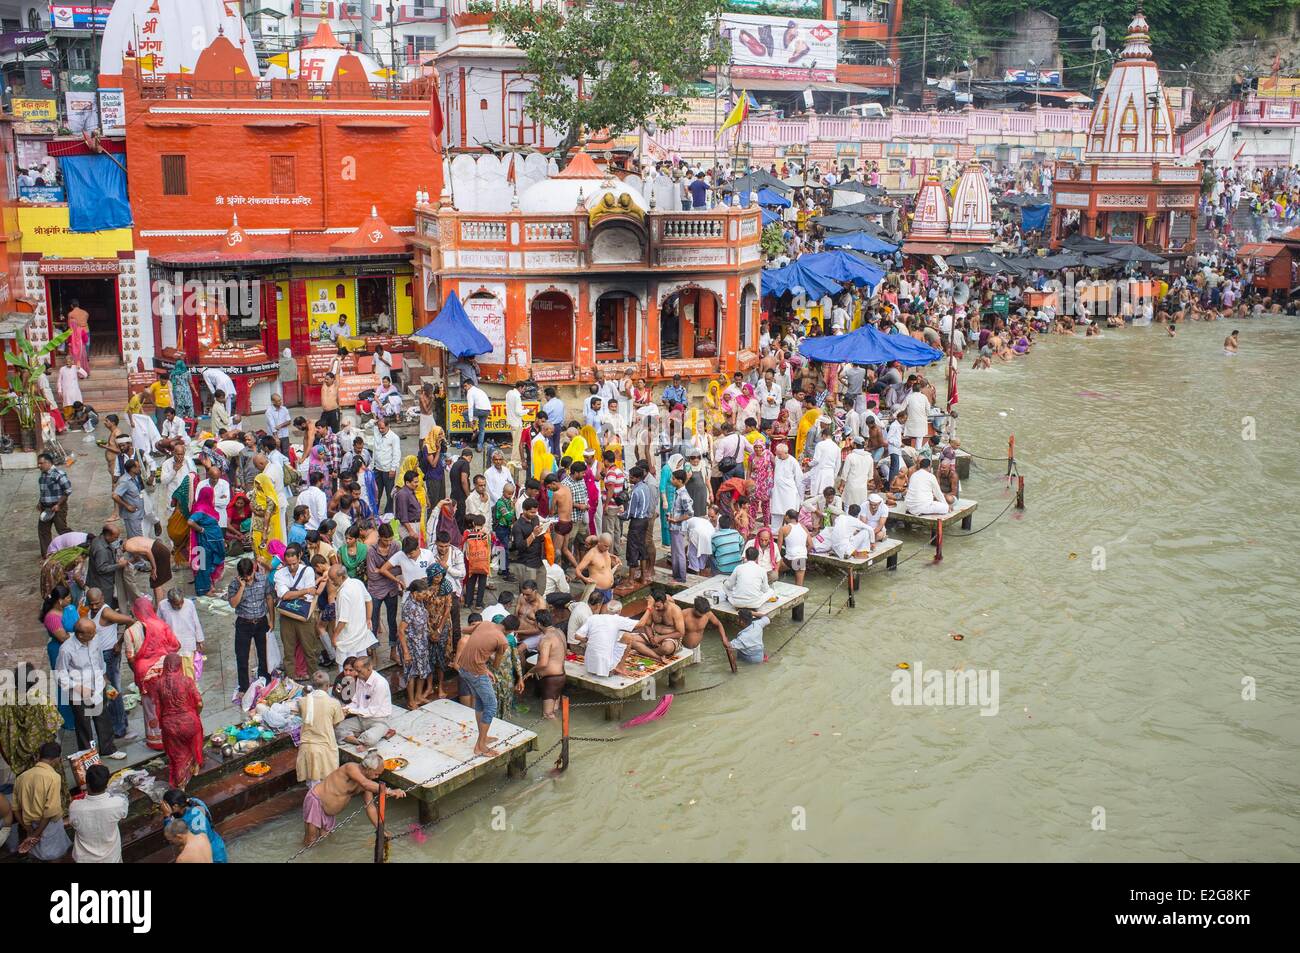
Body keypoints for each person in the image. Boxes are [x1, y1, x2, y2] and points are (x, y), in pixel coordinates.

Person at [303, 751, 405, 847]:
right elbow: (365, 783)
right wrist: (390, 791)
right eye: (376, 774)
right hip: (316, 801)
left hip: (329, 812)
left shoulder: (367, 783)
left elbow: (370, 807)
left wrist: (380, 829)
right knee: (311, 840)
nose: (376, 777)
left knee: (324, 839)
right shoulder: (351, 768)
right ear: (369, 769)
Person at [56, 618, 125, 760]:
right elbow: (60, 675)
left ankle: (108, 749)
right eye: (91, 633)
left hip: (98, 686)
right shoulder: (66, 650)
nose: (95, 634)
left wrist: (104, 677)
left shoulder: (95, 640)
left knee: (103, 719)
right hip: (78, 694)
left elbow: (99, 660)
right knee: (83, 725)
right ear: (80, 635)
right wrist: (78, 688)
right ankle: (88, 755)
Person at [455, 616, 510, 757]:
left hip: (464, 669)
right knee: (492, 705)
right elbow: (497, 665)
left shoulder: (485, 624)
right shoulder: (503, 641)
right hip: (475, 672)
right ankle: (480, 746)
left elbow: (465, 630)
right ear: (510, 631)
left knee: (480, 700)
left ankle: (483, 738)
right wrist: (491, 659)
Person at [13, 742, 70, 860]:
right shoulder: (53, 777)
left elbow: (16, 808)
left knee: (35, 856)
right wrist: (36, 833)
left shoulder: (21, 777)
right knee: (55, 857)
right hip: (48, 827)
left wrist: (29, 829)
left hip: (30, 825)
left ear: (39, 757)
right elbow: (50, 812)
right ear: (56, 759)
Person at [155, 654, 204, 788]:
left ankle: (181, 783)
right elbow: (199, 703)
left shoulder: (158, 684)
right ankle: (195, 767)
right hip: (189, 722)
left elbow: (158, 707)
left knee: (178, 755)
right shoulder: (187, 681)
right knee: (194, 741)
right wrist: (195, 714)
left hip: (170, 725)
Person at [275, 543, 323, 678]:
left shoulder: (308, 570)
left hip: (304, 616)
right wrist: (304, 591)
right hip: (287, 617)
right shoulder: (279, 574)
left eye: (294, 564)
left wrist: (293, 593)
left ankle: (315, 680)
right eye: (289, 564)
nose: (292, 567)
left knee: (309, 650)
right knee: (288, 652)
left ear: (299, 557)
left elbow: (308, 596)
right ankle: (291, 680)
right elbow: (284, 595)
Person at [228, 558, 274, 694]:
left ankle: (265, 679)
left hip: (261, 621)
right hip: (244, 623)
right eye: (245, 577)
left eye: (249, 576)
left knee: (264, 654)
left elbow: (269, 598)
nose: (248, 579)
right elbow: (233, 604)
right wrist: (242, 587)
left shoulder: (263, 579)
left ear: (254, 570)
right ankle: (243, 686)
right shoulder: (235, 584)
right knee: (242, 656)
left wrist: (272, 619)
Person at [68, 763, 129, 863]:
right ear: (107, 785)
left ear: (86, 785)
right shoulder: (118, 803)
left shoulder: (75, 807)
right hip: (111, 858)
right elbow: (123, 812)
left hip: (84, 859)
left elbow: (73, 823)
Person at [335, 655, 394, 749]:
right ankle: (360, 741)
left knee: (370, 738)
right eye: (356, 671)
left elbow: (371, 711)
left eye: (359, 671)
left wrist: (350, 711)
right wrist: (344, 709)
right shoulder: (360, 679)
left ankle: (365, 737)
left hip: (378, 720)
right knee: (338, 727)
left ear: (369, 668)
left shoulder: (380, 684)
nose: (356, 674)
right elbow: (355, 701)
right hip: (361, 719)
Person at [296, 671, 343, 783]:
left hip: (307, 748)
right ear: (328, 686)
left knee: (312, 786)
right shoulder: (334, 703)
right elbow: (335, 724)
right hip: (325, 749)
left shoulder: (302, 701)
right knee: (325, 786)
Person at [37, 451, 73, 555]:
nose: (39, 466)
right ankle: (47, 554)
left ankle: (76, 544)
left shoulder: (58, 474)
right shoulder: (43, 475)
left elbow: (68, 490)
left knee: (62, 529)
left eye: (41, 463)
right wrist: (40, 502)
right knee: (43, 531)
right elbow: (44, 491)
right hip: (45, 507)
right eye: (38, 463)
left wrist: (58, 505)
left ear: (48, 463)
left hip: (58, 508)